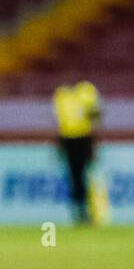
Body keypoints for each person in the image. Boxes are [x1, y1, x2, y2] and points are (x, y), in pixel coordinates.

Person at [53, 80, 103, 224]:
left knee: (83, 177)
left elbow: (96, 115)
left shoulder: (83, 92)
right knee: (76, 178)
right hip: (72, 139)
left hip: (82, 139)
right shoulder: (64, 95)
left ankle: (89, 211)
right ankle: (82, 212)